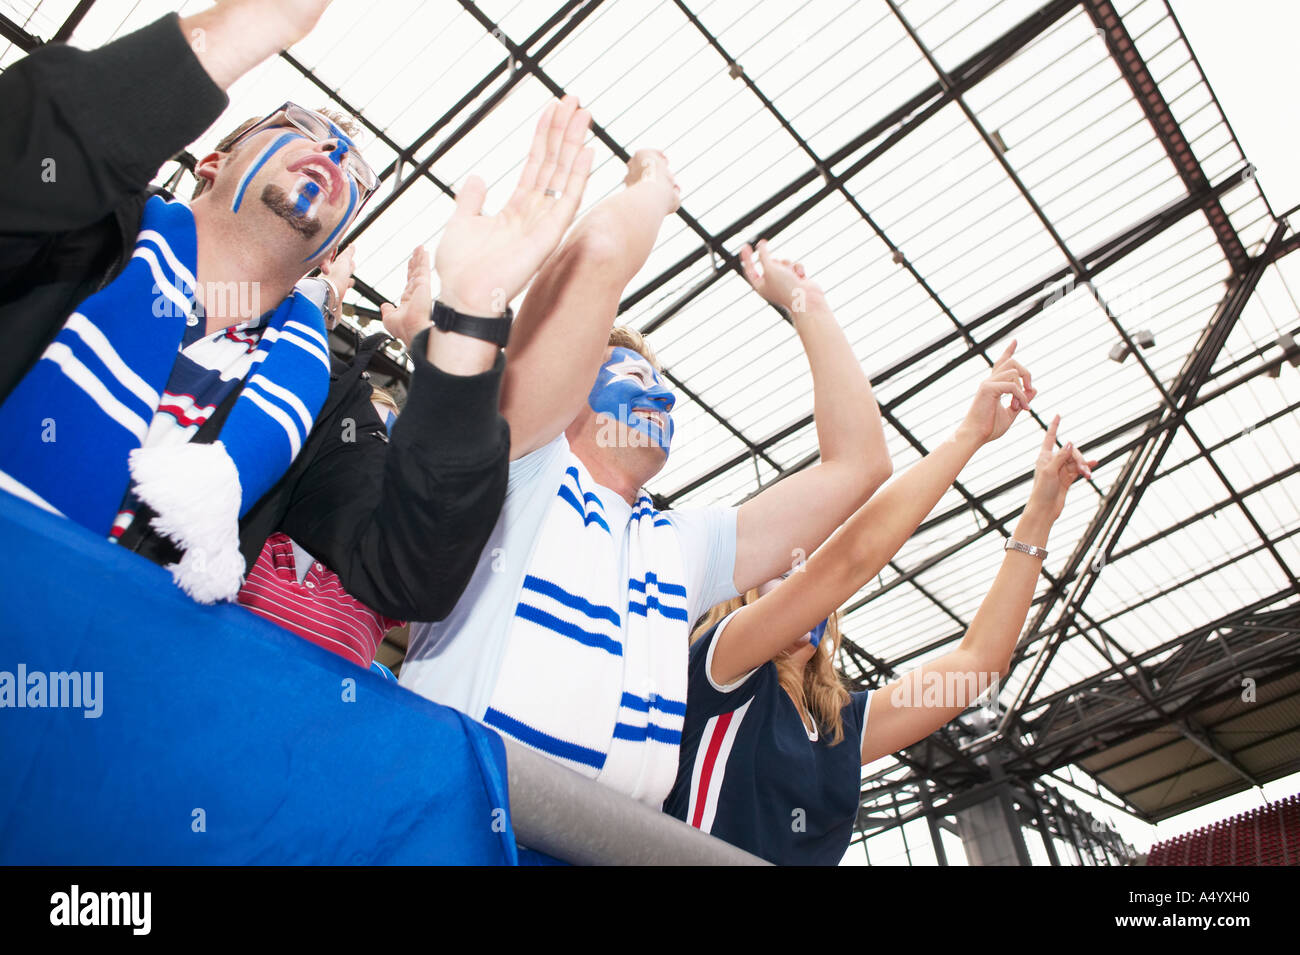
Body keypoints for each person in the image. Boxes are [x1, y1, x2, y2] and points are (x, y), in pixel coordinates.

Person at [0, 1, 594, 622]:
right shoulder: (83, 230)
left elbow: (412, 572)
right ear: (212, 161)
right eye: (301, 126)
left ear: (331, 248)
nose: (334, 151)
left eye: (356, 171)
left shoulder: (326, 400)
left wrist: (472, 317)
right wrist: (233, 34)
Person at [397, 150, 894, 807]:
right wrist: (653, 190)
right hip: (457, 811)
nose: (663, 399)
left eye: (664, 387)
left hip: (609, 847)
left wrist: (807, 303)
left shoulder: (680, 543)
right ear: (571, 392)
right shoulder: (519, 471)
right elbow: (598, 253)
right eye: (636, 378)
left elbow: (860, 464)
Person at [664, 345, 1098, 863]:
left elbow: (978, 666)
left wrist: (1040, 514)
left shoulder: (840, 724)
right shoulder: (723, 663)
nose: (802, 583)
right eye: (784, 573)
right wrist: (970, 435)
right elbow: (849, 560)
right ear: (743, 592)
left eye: (805, 575)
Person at [236, 388, 405, 670]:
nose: (370, 454)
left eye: (386, 442)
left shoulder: (378, 578)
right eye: (359, 431)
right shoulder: (248, 525)